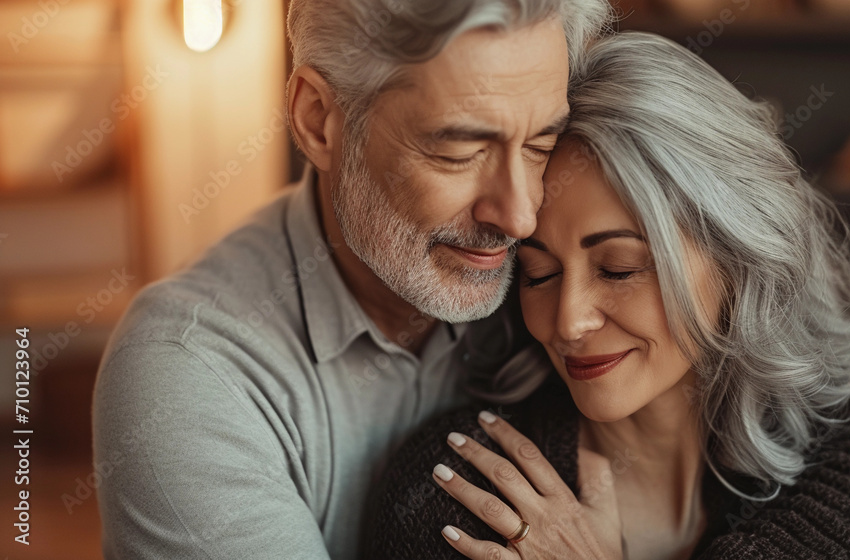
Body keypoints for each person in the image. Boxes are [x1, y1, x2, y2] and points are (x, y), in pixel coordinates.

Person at [366, 32, 850, 560]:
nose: (568, 322)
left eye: (619, 269)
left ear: (735, 257)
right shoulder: (459, 491)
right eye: (538, 275)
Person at [90, 1, 616, 558]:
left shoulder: (560, 288)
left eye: (540, 146)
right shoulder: (189, 378)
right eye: (459, 151)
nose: (519, 217)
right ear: (319, 120)